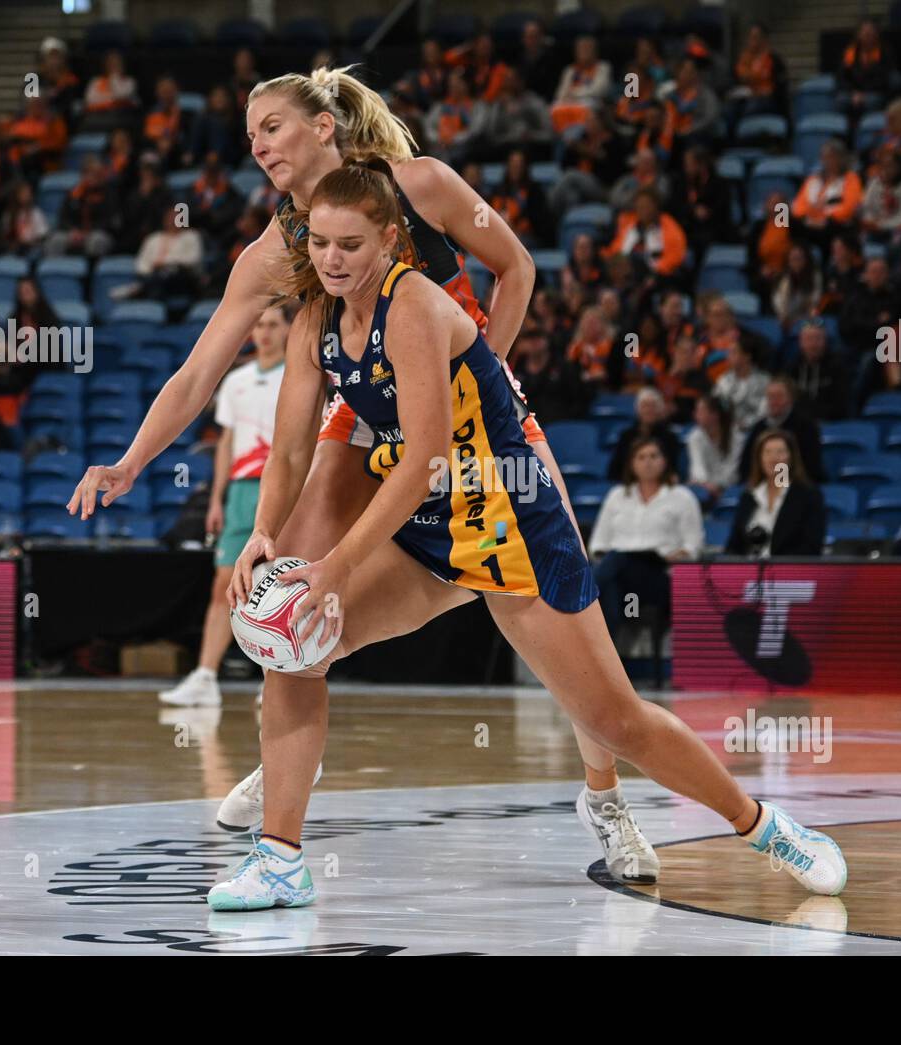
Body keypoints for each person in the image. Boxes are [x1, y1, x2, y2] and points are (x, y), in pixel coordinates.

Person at [66, 66, 665, 885]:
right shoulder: (279, 248)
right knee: (286, 588)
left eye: (271, 125)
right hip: (358, 419)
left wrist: (480, 386)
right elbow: (199, 372)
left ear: (322, 125)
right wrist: (132, 461)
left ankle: (604, 794)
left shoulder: (421, 186)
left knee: (560, 609)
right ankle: (288, 785)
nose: (257, 145)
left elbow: (517, 268)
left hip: (479, 414)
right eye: (248, 136)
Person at [201, 163, 844, 908]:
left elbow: (426, 458)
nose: (332, 259)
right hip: (432, 525)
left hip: (510, 514)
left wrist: (337, 564)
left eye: (350, 244)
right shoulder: (317, 317)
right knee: (301, 646)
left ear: (388, 241)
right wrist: (266, 535)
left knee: (614, 718)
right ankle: (280, 857)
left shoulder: (410, 305)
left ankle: (766, 827)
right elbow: (287, 451)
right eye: (319, 243)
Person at [160, 302, 295, 707]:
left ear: (288, 330)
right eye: (259, 325)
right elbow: (225, 445)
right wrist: (216, 498)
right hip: (240, 491)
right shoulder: (236, 381)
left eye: (272, 325)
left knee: (283, 586)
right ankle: (205, 676)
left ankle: (277, 681)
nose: (265, 333)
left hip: (285, 488)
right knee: (224, 585)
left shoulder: (302, 376)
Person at [589, 436, 703, 641]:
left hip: (659, 575)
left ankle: (586, 595)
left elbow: (693, 547)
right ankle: (612, 662)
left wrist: (679, 555)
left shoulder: (682, 497)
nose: (647, 462)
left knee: (615, 562)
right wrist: (608, 558)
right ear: (632, 463)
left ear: (664, 461)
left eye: (653, 456)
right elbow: (598, 544)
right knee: (613, 586)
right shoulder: (617, 496)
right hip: (619, 577)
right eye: (641, 457)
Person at [725, 429, 825, 557]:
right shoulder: (749, 496)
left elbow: (811, 548)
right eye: (767, 452)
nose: (773, 458)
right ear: (759, 458)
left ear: (791, 457)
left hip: (789, 573)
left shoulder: (809, 496)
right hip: (749, 573)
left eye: (780, 452)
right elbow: (734, 546)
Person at [737, 376, 825, 483]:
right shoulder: (759, 428)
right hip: (764, 488)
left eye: (779, 396)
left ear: (790, 399)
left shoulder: (806, 427)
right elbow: (745, 467)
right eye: (770, 397)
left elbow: (812, 468)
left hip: (798, 487)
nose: (774, 401)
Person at [605, 386, 681, 480]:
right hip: (628, 485)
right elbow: (615, 469)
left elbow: (672, 469)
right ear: (638, 410)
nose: (648, 410)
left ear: (660, 410)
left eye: (653, 406)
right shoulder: (626, 436)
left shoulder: (670, 437)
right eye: (644, 406)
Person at [685, 393, 740, 497]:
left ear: (714, 415)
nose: (695, 414)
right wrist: (704, 484)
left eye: (700, 411)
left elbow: (732, 469)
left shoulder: (736, 437)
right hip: (703, 487)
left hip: (729, 487)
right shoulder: (694, 437)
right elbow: (697, 466)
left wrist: (717, 485)